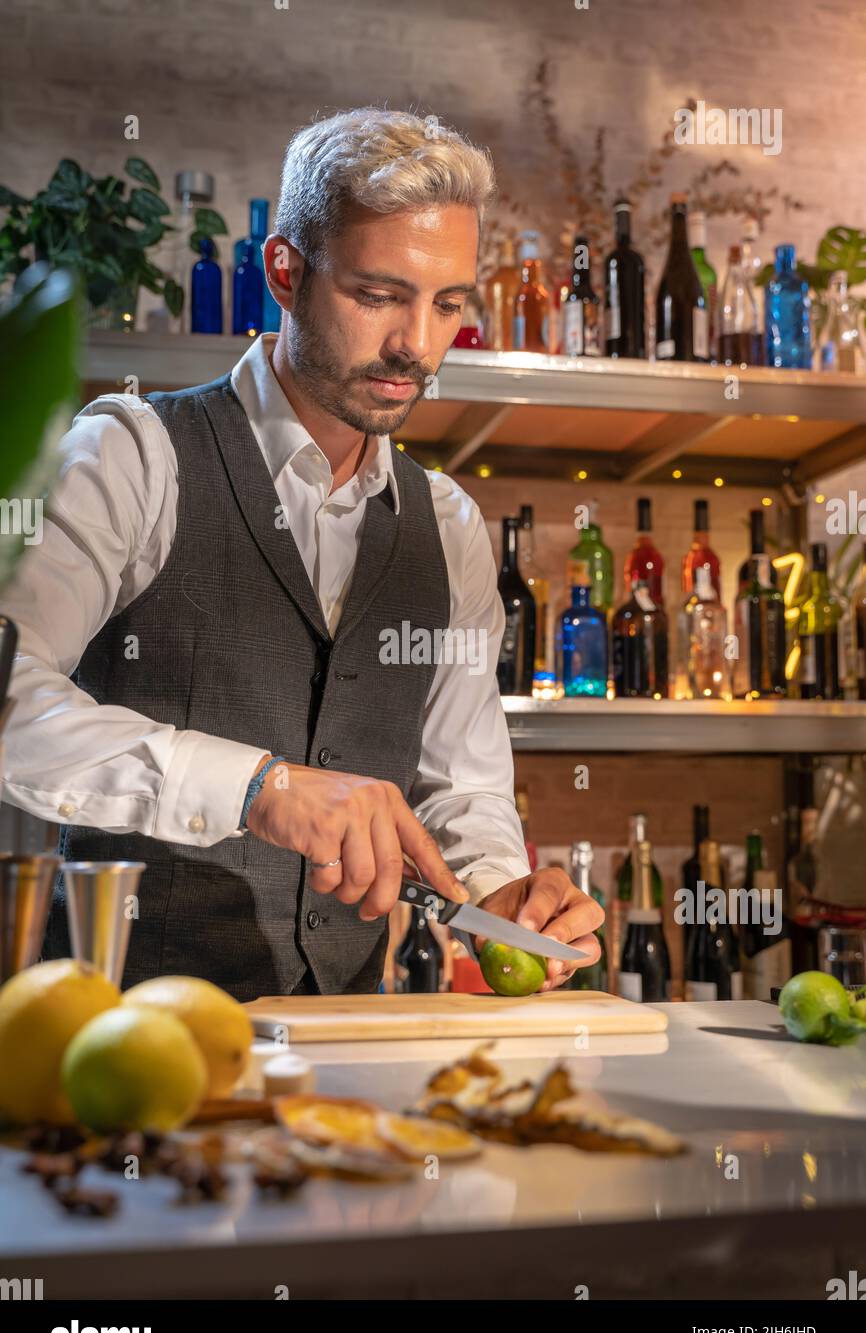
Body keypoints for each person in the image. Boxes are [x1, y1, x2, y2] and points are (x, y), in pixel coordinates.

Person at [4, 107, 602, 1000]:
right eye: (377, 295)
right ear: (284, 272)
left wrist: (498, 892)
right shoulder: (134, 454)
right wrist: (258, 787)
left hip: (349, 1052)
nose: (417, 345)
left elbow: (460, 783)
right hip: (122, 1038)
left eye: (448, 305)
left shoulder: (449, 526)